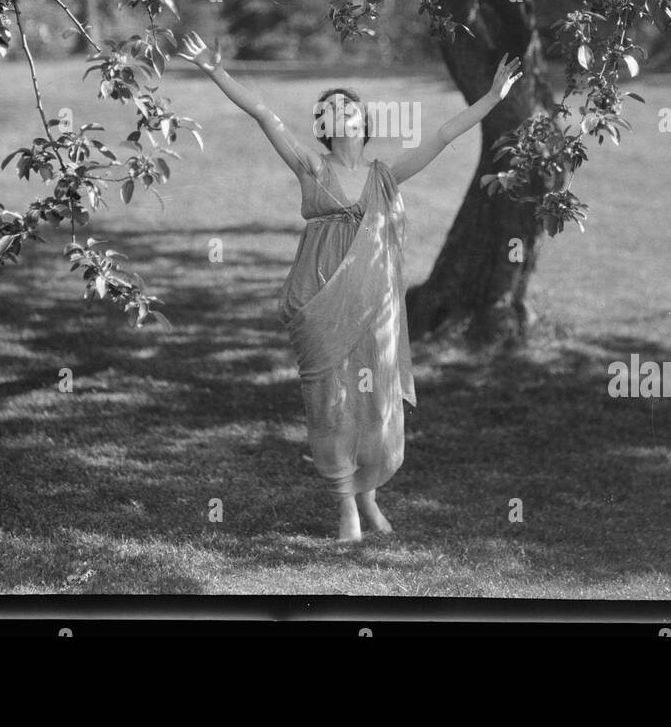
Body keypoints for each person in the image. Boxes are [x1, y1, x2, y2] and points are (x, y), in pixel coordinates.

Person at [176, 31, 522, 541]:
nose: (343, 112)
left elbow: (444, 135)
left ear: (364, 123)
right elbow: (265, 116)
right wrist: (215, 70)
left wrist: (492, 99)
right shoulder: (311, 167)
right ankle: (346, 509)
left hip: (375, 306)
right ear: (325, 125)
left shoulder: (385, 175)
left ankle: (369, 498)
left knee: (375, 403)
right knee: (331, 403)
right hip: (319, 301)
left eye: (351, 107)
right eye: (333, 108)